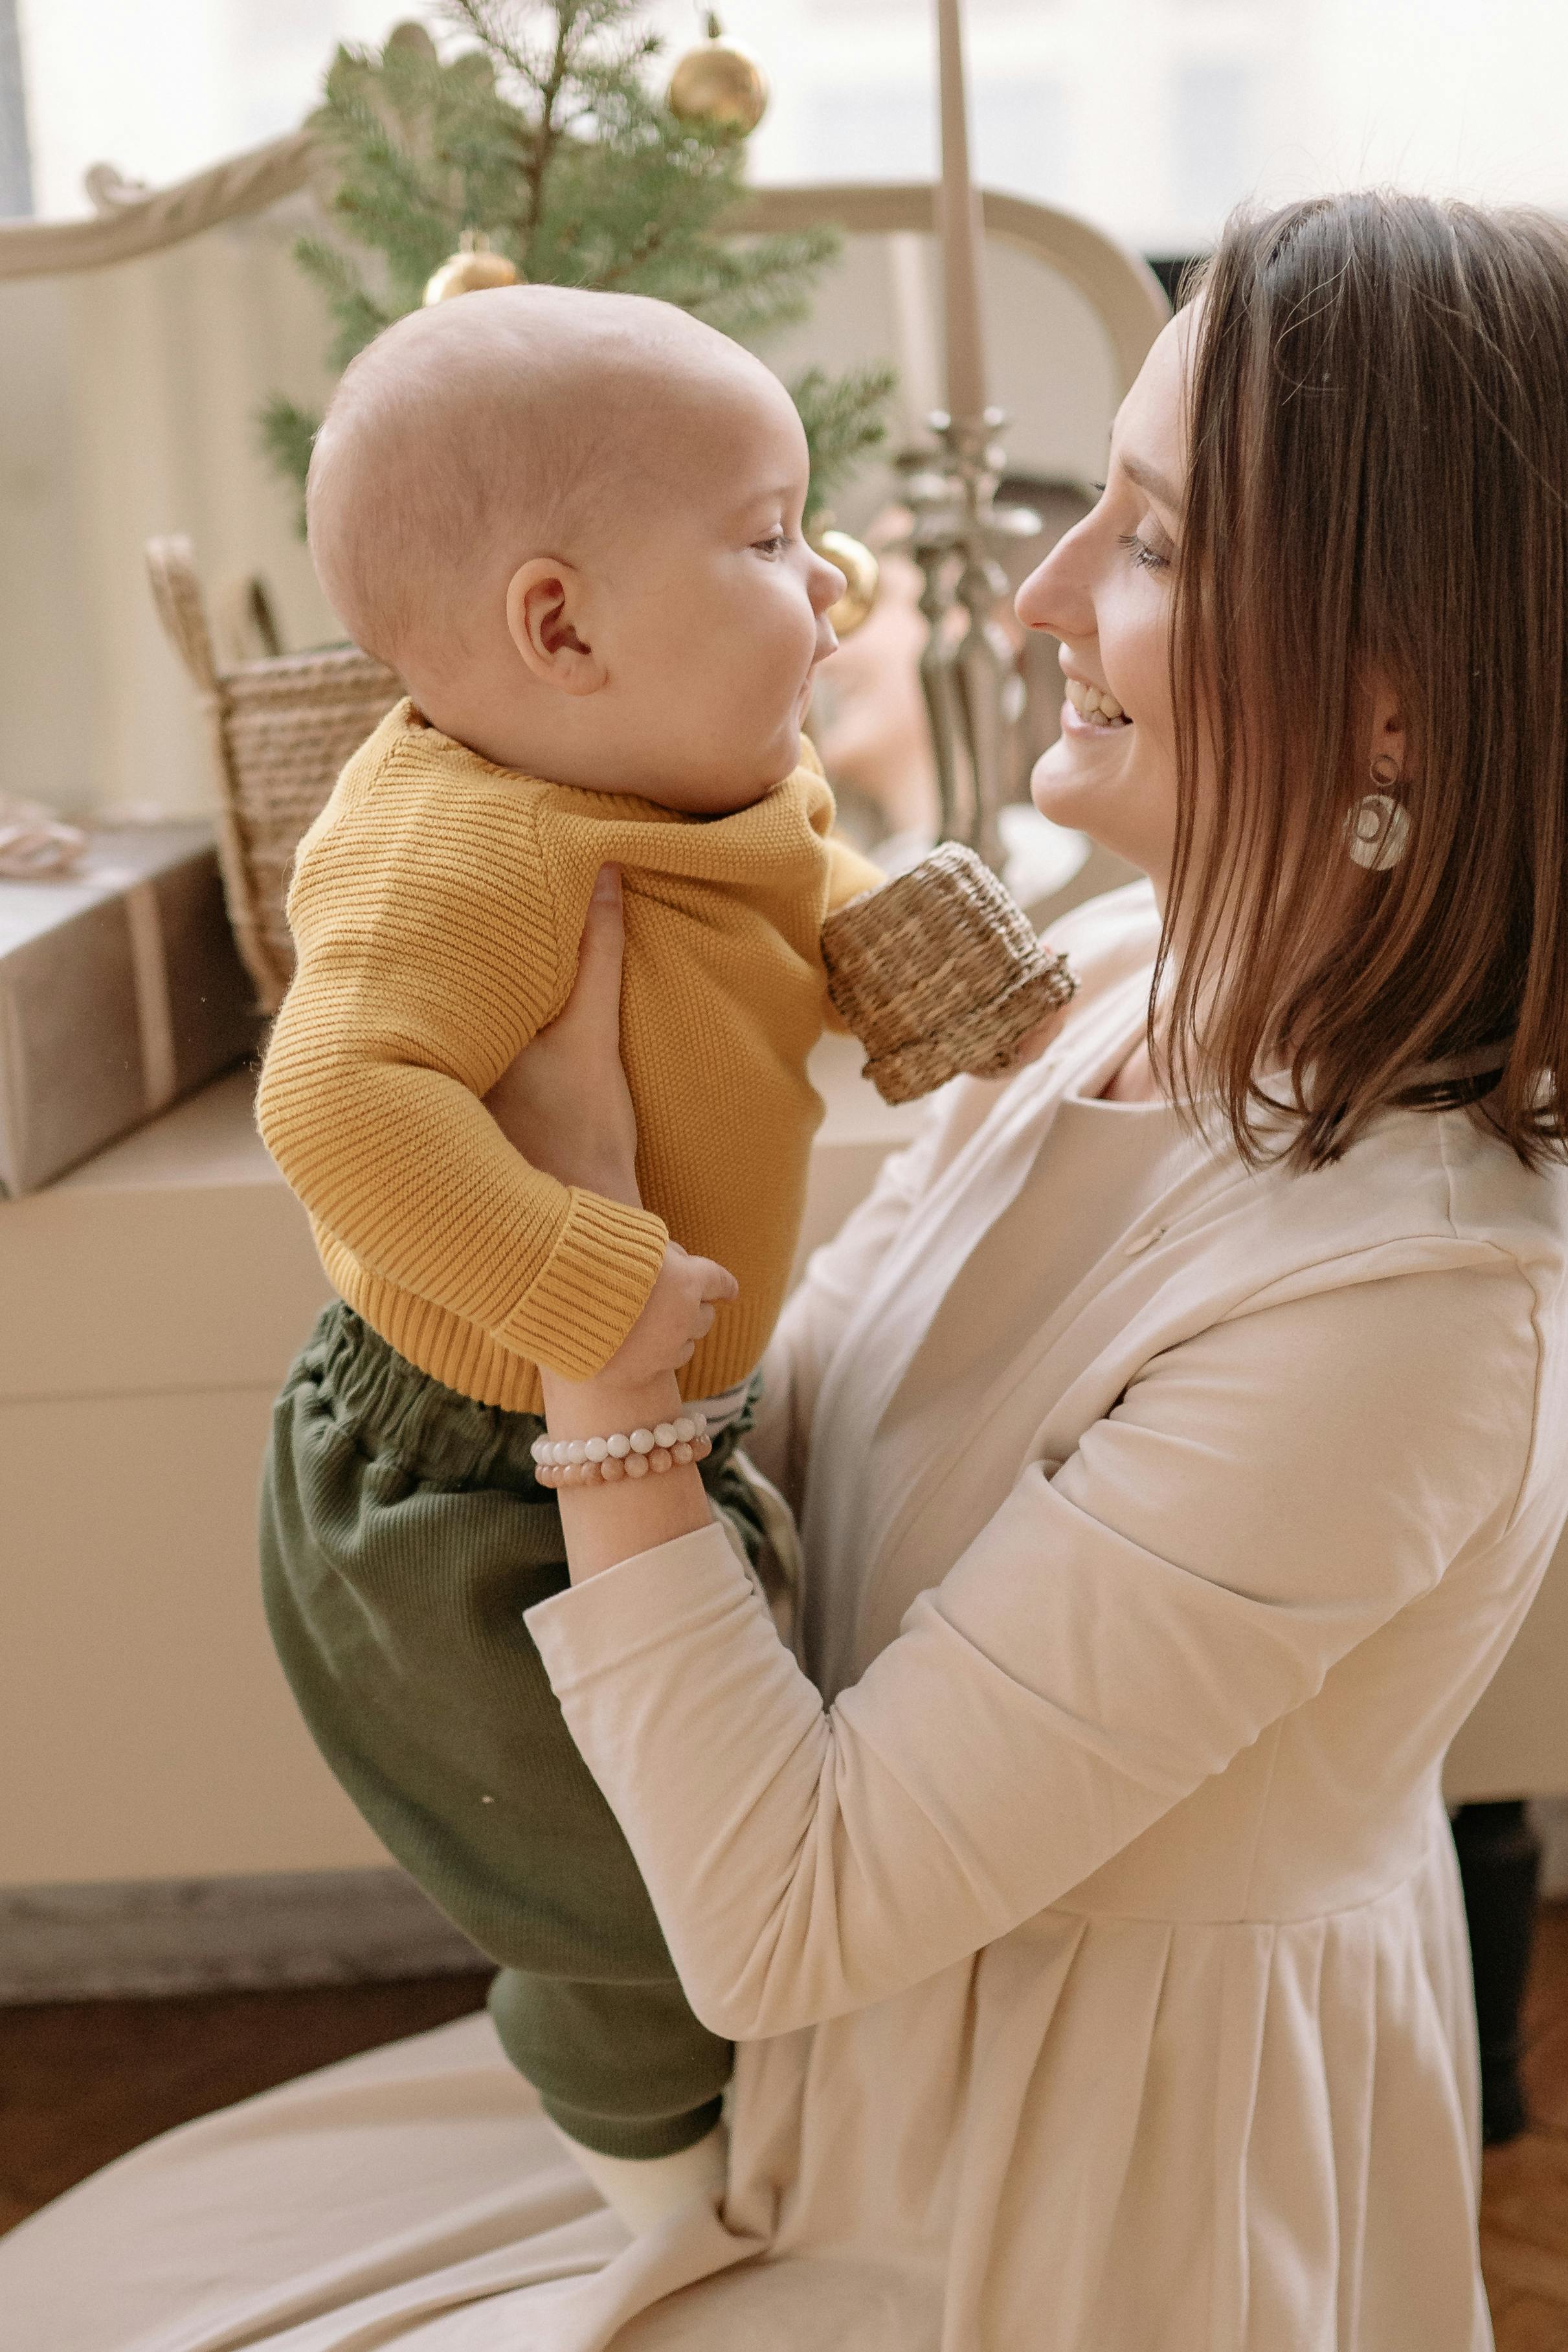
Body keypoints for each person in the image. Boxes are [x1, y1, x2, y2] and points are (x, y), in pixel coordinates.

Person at [7, 188, 1568, 2351]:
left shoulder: (1407, 1318)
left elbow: (782, 1910)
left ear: (1397, 710)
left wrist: (595, 1355)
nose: (1027, 592)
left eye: (1147, 541)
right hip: (818, 2030)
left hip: (1028, 2192)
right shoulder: (1124, 972)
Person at [251, 282, 1051, 2237]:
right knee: (619, 1890)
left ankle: (720, 2109)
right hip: (462, 1477)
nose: (838, 581)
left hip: (627, 1414)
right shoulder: (473, 857)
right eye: (775, 538)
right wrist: (583, 1289)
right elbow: (337, 1104)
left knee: (706, 1777)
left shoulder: (663, 780)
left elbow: (764, 894)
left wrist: (901, 956)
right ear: (562, 627)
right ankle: (659, 2194)